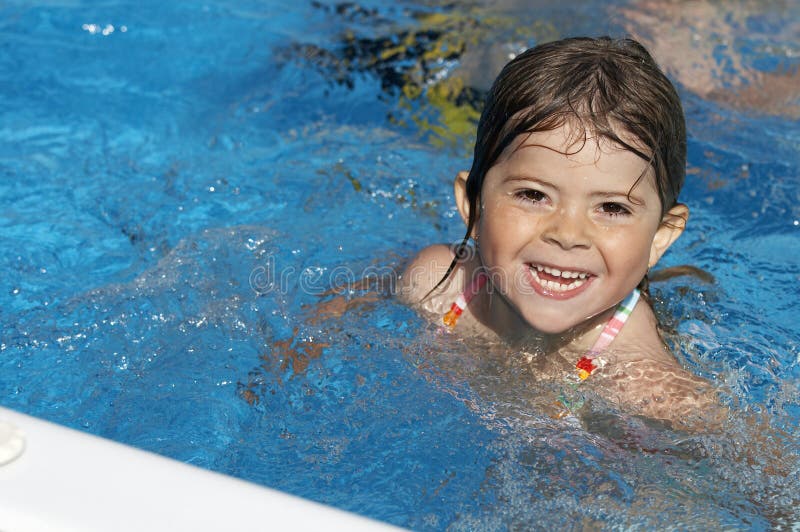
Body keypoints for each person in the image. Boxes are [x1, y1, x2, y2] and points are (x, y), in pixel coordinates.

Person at [399, 36, 717, 429]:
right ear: (474, 204)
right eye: (534, 195)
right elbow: (348, 305)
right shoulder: (437, 284)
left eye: (612, 207)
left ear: (660, 236)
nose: (568, 234)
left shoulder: (647, 385)